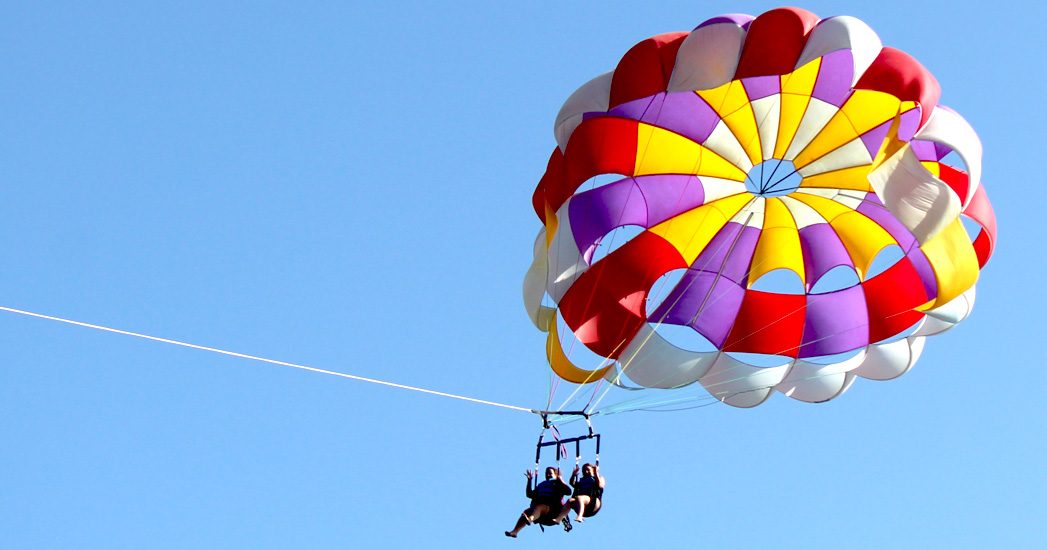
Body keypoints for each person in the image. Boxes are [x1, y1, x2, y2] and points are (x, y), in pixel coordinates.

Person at [504, 466, 572, 538]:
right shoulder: (541, 485)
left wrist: (561, 480)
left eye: (550, 473)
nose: (548, 475)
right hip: (542, 516)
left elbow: (568, 492)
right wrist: (529, 480)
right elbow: (530, 494)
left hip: (553, 512)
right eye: (546, 473)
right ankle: (515, 532)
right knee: (527, 511)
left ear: (555, 474)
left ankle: (530, 519)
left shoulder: (558, 484)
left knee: (540, 507)